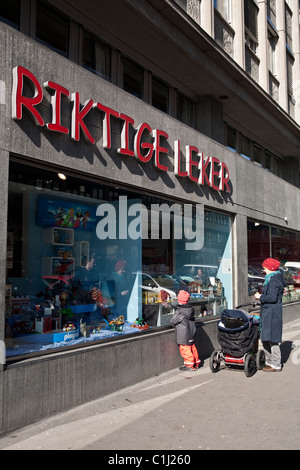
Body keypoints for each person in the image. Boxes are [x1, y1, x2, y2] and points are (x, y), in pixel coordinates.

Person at [254, 257, 286, 372]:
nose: (264, 271)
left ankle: (276, 364)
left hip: (272, 314)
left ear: (271, 268)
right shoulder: (272, 279)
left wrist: (260, 297)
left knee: (272, 339)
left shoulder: (274, 280)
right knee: (266, 338)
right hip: (269, 313)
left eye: (265, 268)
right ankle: (269, 362)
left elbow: (272, 298)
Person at [170, 290, 201, 371]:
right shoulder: (190, 309)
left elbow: (173, 321)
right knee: (192, 347)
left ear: (179, 300)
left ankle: (189, 365)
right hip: (191, 331)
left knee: (185, 349)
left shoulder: (179, 311)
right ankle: (196, 362)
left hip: (183, 334)